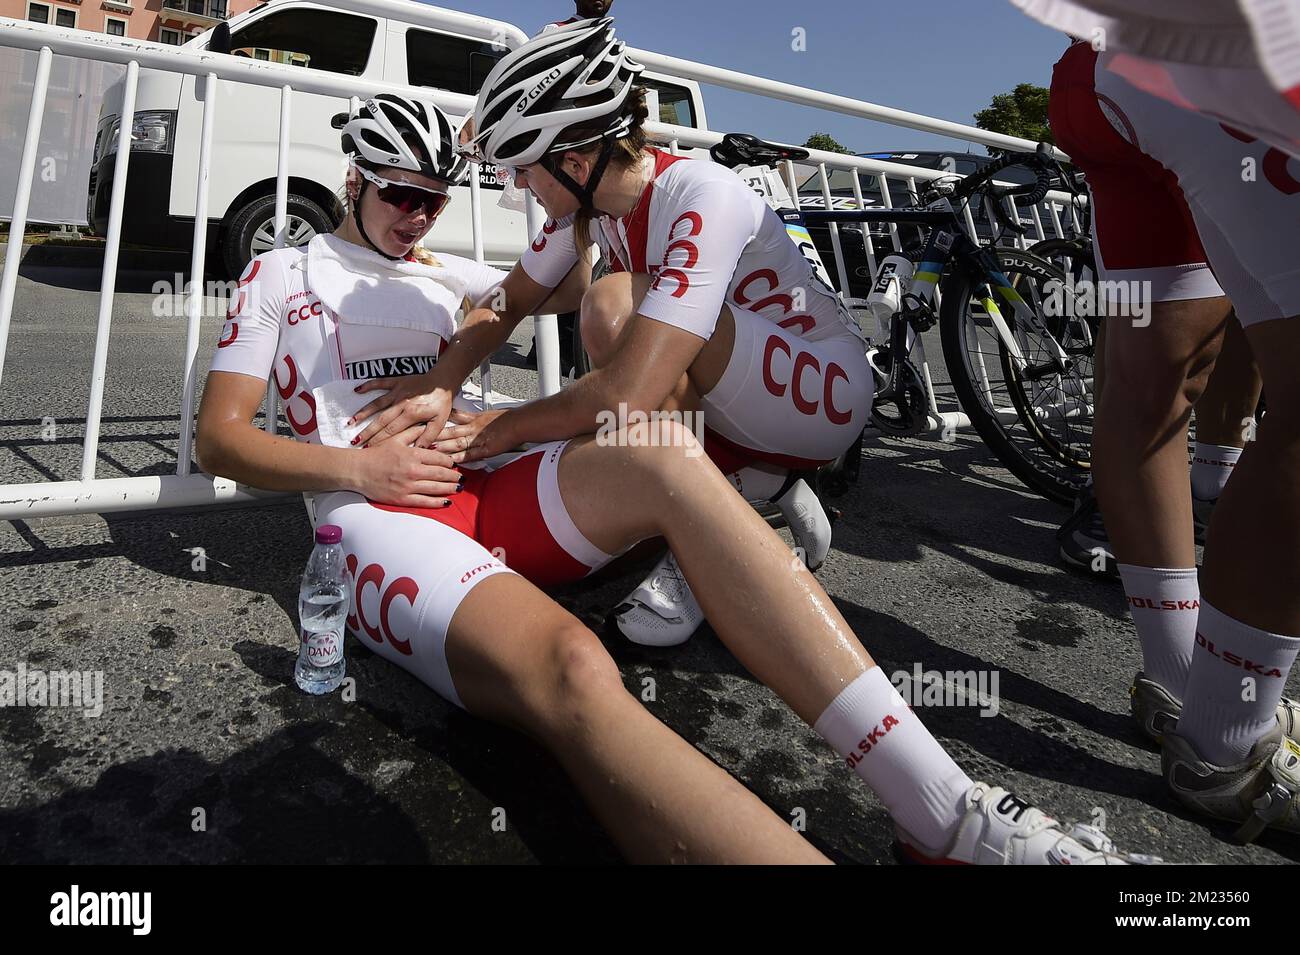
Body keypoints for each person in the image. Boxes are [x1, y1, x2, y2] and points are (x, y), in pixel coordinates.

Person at [195, 92, 1160, 865]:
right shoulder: (284, 271)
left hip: (488, 485)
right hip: (370, 517)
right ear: (354, 181)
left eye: (432, 199)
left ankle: (954, 818)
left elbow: (526, 298)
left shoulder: (447, 275)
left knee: (663, 447)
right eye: (399, 194)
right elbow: (220, 441)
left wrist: (461, 382)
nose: (415, 216)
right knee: (576, 668)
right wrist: (360, 464)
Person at [351, 18, 873, 648]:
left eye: (523, 168)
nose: (517, 185)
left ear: (573, 161)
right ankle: (755, 475)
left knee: (610, 306)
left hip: (829, 390)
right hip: (748, 392)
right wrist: (440, 384)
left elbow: (627, 393)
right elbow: (508, 300)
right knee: (611, 311)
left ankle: (709, 523)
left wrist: (498, 428)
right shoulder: (592, 204)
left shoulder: (702, 192)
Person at [1041, 31, 1300, 840]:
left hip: (1102, 73)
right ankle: (1224, 747)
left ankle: (1183, 679)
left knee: (1153, 386)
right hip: (1206, 50)